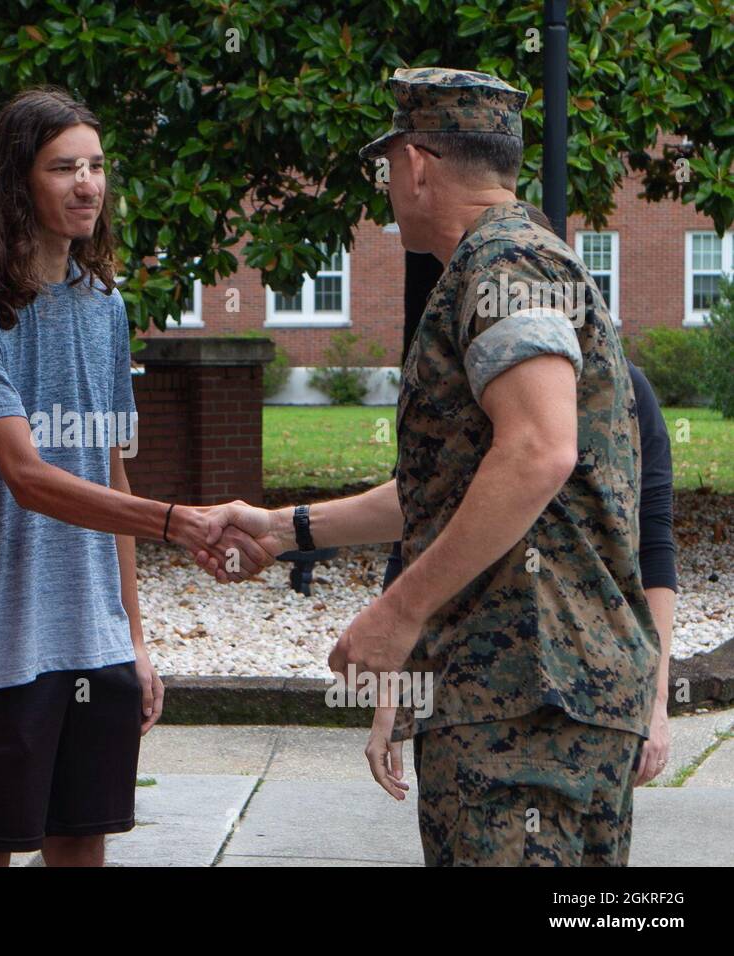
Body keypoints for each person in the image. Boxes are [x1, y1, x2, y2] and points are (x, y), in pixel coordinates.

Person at [206, 68, 659, 865]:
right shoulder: (520, 259)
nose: (387, 187)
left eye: (387, 167)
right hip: (545, 693)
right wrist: (285, 529)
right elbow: (455, 486)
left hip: (525, 696)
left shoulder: (505, 267)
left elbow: (537, 451)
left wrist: (400, 610)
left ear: (417, 164)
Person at [0, 86, 269, 867]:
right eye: (63, 168)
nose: (87, 184)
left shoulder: (104, 303)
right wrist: (174, 520)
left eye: (96, 166)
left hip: (93, 633)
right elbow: (25, 473)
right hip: (1, 636)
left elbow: (110, 458)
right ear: (18, 183)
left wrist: (134, 636)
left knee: (82, 842)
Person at [378, 201, 678, 789]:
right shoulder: (475, 380)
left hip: (581, 691)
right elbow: (422, 520)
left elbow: (654, 543)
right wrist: (394, 685)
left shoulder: (624, 392)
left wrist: (657, 699)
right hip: (471, 685)